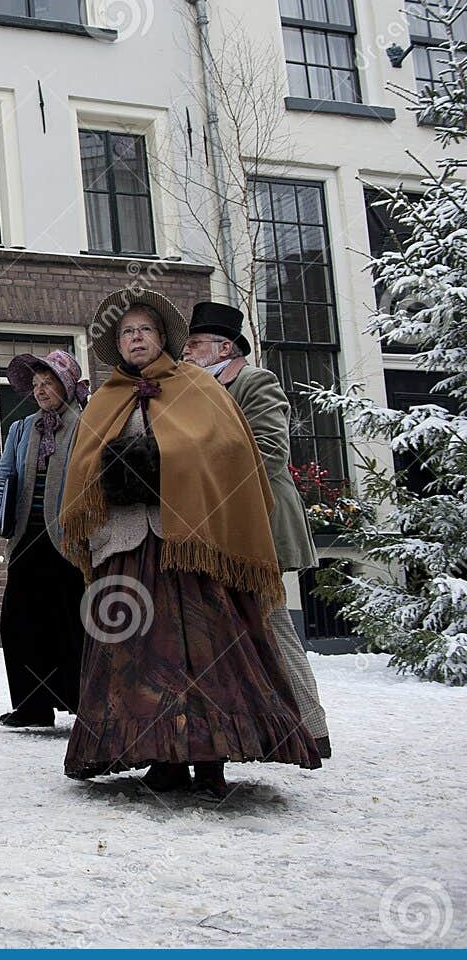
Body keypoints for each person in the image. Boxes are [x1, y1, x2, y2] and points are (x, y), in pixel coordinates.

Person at [59, 288, 323, 798]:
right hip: (128, 546)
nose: (136, 339)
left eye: (145, 331)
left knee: (205, 653)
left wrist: (165, 463)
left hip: (191, 545)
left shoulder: (199, 390)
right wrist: (112, 470)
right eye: (127, 332)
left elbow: (229, 451)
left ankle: (209, 757)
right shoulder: (106, 398)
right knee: (136, 656)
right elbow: (82, 469)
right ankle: (156, 754)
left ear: (163, 339)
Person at [181, 301, 331, 758]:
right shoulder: (197, 390)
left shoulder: (253, 381)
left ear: (224, 347)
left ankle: (312, 726)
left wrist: (206, 483)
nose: (184, 352)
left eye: (193, 344)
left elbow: (267, 451)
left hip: (260, 525)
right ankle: (266, 728)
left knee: (271, 624)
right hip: (225, 527)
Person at [0, 349, 88, 729]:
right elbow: (1, 476)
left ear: (67, 383)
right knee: (20, 621)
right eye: (37, 384)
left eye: (49, 382)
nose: (41, 390)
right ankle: (33, 706)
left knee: (71, 620)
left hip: (70, 539)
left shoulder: (87, 423)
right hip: (27, 538)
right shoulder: (22, 427)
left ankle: (82, 704)